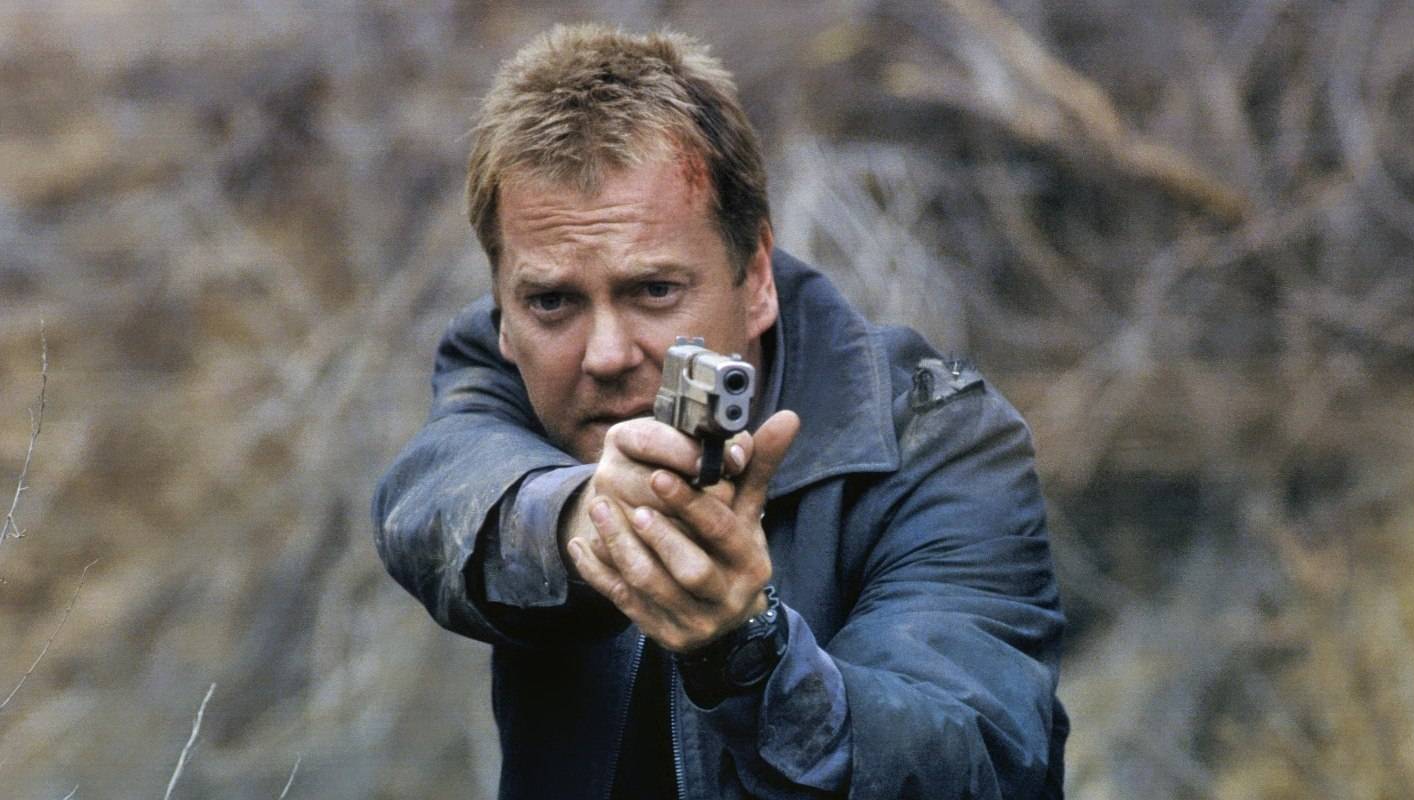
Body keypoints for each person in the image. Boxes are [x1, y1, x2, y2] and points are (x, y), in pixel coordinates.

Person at [372, 23, 1068, 800]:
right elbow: (428, 500)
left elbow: (972, 761)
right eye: (553, 301)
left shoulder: (936, 439)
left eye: (654, 291)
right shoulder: (503, 365)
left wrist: (747, 654)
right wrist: (583, 521)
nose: (606, 353)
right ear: (504, 313)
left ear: (757, 277)